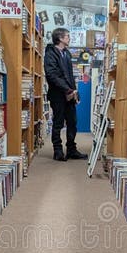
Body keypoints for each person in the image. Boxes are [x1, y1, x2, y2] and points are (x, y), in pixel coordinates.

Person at [44, 27, 87, 161]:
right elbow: (52, 75)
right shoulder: (50, 54)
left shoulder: (67, 53)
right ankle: (57, 151)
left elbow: (69, 75)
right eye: (67, 36)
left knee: (72, 122)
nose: (69, 38)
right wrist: (66, 89)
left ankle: (71, 150)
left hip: (69, 94)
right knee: (58, 123)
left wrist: (75, 92)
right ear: (60, 38)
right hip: (58, 95)